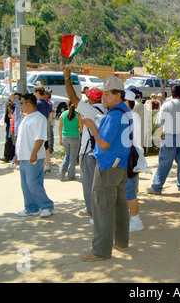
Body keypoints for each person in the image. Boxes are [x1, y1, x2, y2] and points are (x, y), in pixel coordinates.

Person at [80, 76, 132, 262]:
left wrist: (92, 126)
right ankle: (122, 242)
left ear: (117, 95)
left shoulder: (114, 115)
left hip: (108, 167)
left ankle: (100, 251)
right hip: (121, 166)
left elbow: (102, 143)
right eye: (103, 93)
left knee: (102, 208)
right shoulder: (126, 111)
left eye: (107, 93)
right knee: (119, 206)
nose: (103, 97)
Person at [63, 67, 107, 218]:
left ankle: (91, 209)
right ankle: (100, 207)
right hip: (103, 150)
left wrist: (67, 78)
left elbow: (73, 97)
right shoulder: (107, 110)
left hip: (89, 151)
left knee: (88, 182)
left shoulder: (90, 110)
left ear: (92, 99)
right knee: (101, 183)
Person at [147, 84, 180, 195]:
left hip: (168, 136)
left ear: (171, 93)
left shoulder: (166, 105)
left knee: (164, 162)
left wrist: (160, 135)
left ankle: (157, 186)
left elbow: (159, 123)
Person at [14, 94, 54, 218]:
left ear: (29, 104)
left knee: (33, 183)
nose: (20, 105)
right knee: (25, 184)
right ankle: (31, 208)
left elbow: (40, 138)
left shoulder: (39, 118)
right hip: (23, 156)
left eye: (21, 103)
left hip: (33, 157)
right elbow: (21, 139)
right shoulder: (26, 118)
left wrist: (34, 153)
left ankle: (47, 206)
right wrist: (17, 155)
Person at [123, 90, 145, 232]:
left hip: (129, 156)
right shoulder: (133, 115)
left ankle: (136, 220)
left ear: (126, 102)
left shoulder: (129, 116)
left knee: (129, 190)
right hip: (132, 154)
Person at [58, 101, 80, 181]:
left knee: (67, 155)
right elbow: (81, 127)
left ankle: (62, 171)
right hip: (75, 136)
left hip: (65, 136)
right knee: (73, 157)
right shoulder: (78, 115)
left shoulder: (63, 114)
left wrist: (60, 138)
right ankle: (71, 175)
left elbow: (60, 127)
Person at [33, 85, 53, 174]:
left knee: (37, 146)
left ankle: (40, 166)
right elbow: (50, 118)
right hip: (45, 126)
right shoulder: (48, 104)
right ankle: (47, 166)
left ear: (37, 92)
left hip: (36, 127)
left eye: (34, 92)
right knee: (46, 147)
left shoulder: (36, 103)